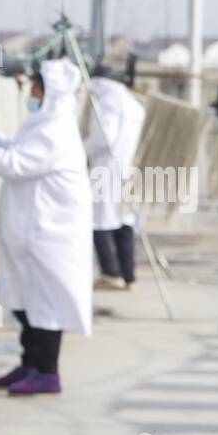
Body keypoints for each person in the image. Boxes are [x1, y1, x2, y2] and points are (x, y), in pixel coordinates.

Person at [0, 59, 93, 396]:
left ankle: (47, 372)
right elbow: (19, 150)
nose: (30, 91)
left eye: (36, 86)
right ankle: (30, 363)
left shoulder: (55, 130)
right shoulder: (45, 123)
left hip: (50, 236)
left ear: (50, 91)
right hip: (33, 233)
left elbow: (16, 164)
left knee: (47, 305)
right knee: (27, 300)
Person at [85, 67, 146, 290]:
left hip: (106, 168)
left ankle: (111, 273)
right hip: (126, 168)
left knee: (100, 221)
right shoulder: (132, 104)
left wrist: (80, 151)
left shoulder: (107, 102)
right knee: (124, 220)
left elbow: (104, 138)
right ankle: (128, 274)